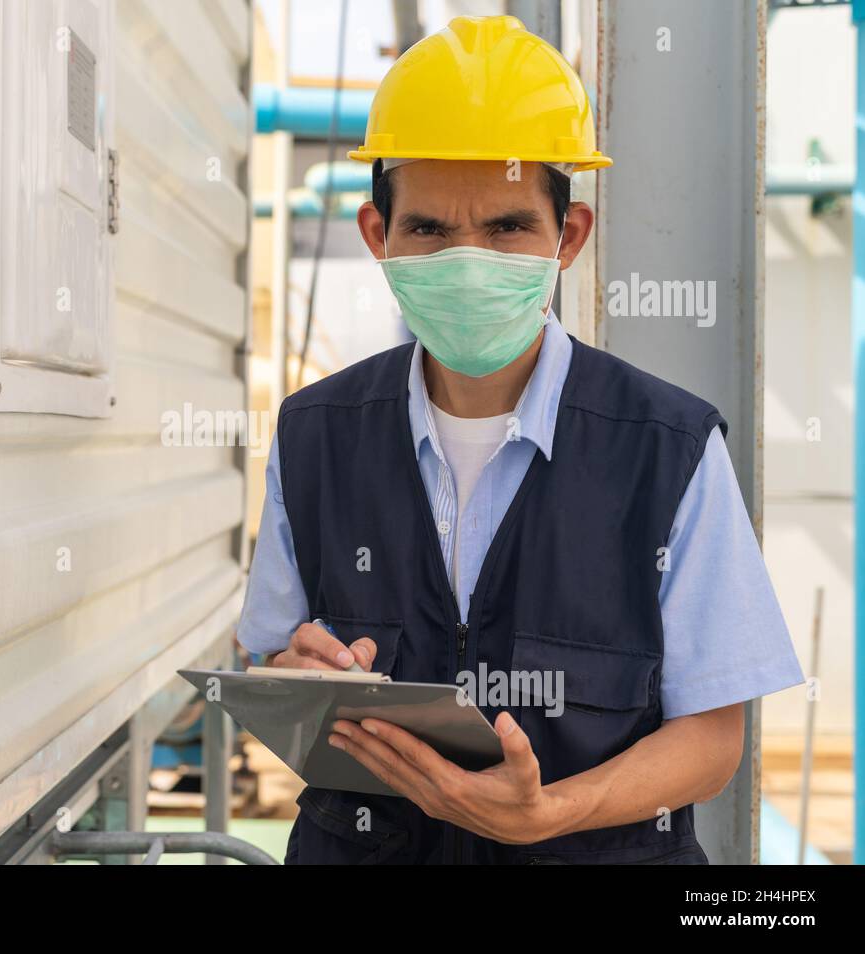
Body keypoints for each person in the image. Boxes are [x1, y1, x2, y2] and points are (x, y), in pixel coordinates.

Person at [237, 14, 804, 864]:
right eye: (428, 228)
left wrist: (556, 812)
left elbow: (714, 738)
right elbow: (273, 667)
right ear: (376, 237)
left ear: (565, 238)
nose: (468, 257)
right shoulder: (315, 435)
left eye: (506, 227)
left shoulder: (667, 449)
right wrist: (299, 675)